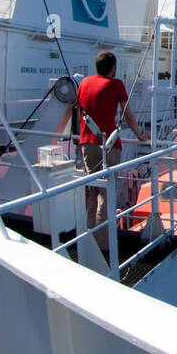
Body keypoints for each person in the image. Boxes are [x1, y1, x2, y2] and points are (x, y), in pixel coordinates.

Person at [75, 51, 147, 248]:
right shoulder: (116, 85)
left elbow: (78, 112)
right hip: (109, 146)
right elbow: (128, 115)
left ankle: (87, 239)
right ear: (113, 68)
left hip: (87, 144)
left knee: (92, 191)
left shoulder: (84, 84)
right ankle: (104, 245)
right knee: (105, 195)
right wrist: (140, 136)